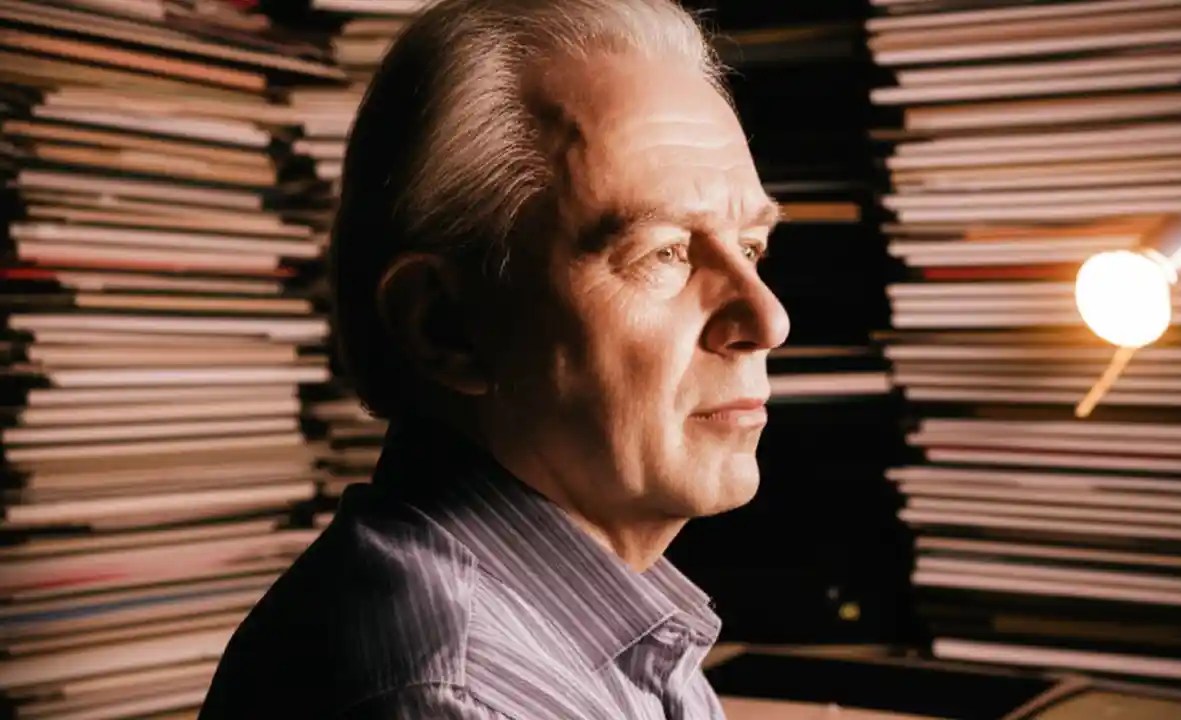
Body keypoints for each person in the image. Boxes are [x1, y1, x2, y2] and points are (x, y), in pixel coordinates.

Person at [199, 0, 789, 716]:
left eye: (752, 248)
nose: (767, 320)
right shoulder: (457, 699)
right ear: (444, 326)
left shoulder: (606, 631)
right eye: (661, 253)